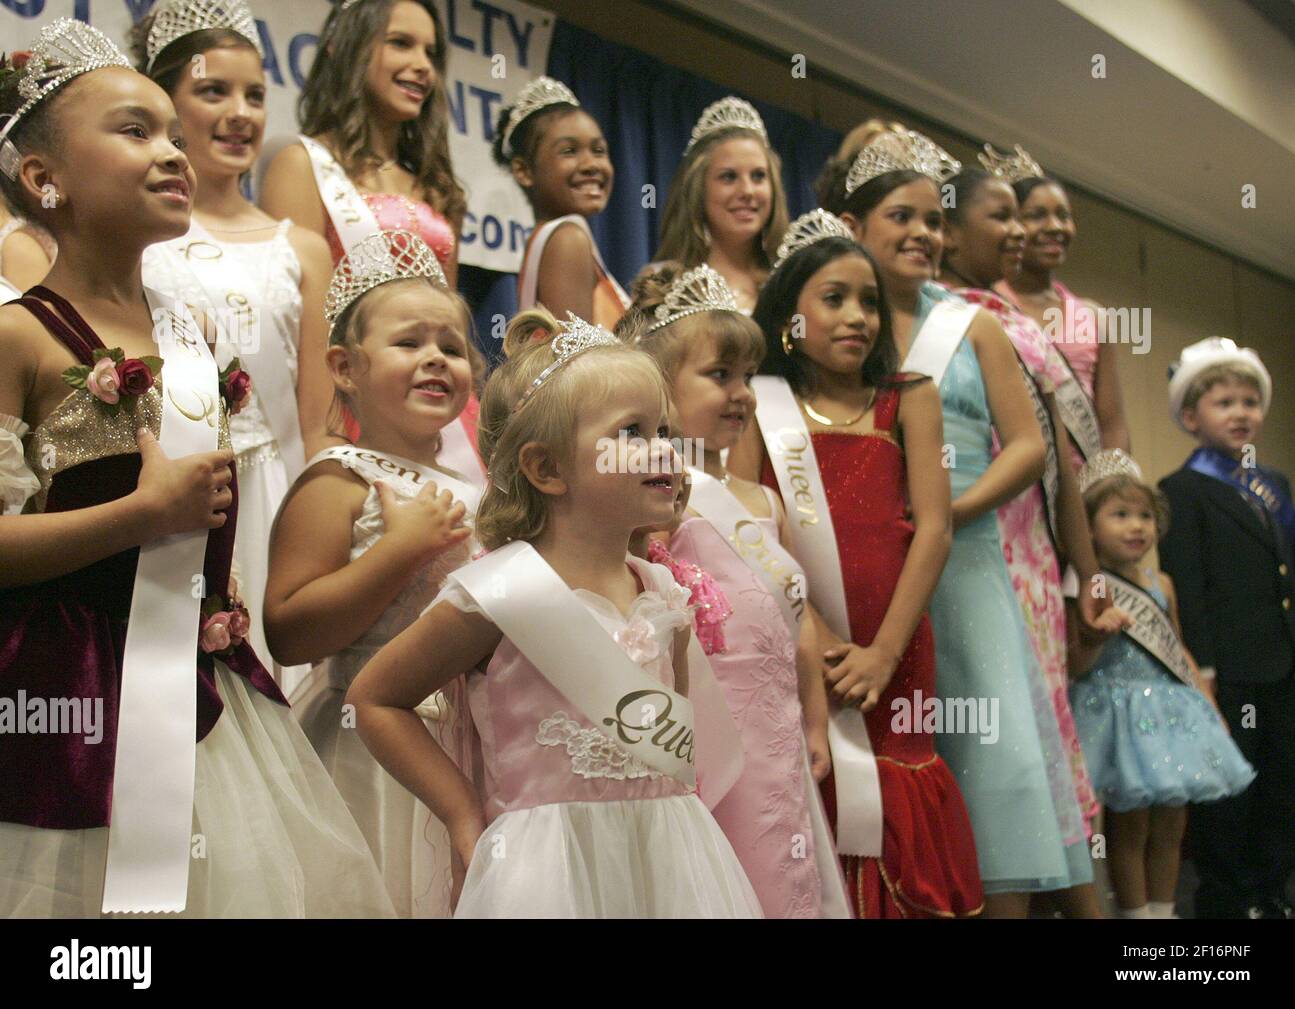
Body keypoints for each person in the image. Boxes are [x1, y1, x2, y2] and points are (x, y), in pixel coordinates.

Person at [0, 20, 392, 917]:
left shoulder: (190, 336)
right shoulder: (17, 334)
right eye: (135, 132)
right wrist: (134, 517)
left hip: (205, 688)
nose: (172, 151)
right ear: (43, 178)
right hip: (66, 700)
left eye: (172, 133)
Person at [347, 313, 762, 917]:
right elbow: (374, 700)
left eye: (665, 430)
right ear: (546, 469)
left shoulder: (664, 591)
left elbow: (676, 749)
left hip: (669, 861)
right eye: (633, 432)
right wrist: (462, 812)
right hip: (544, 873)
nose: (666, 450)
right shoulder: (496, 595)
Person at [818, 124, 1087, 916]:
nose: (923, 234)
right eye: (901, 216)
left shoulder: (975, 325)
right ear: (856, 227)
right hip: (869, 567)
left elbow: (1031, 447)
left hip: (964, 565)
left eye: (934, 219)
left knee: (991, 767)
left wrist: (949, 510)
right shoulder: (839, 321)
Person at [730, 209, 983, 918]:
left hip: (895, 644)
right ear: (788, 315)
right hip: (804, 644)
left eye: (869, 300)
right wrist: (818, 632)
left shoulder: (908, 397)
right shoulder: (760, 404)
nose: (858, 316)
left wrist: (882, 652)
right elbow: (747, 529)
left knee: (897, 790)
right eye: (833, 298)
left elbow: (932, 530)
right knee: (815, 783)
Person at [619, 261, 846, 918]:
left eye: (748, 375)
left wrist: (816, 715)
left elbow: (795, 622)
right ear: (659, 385)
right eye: (720, 376)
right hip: (711, 731)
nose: (743, 392)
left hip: (779, 731)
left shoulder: (765, 500)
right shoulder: (654, 495)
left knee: (785, 868)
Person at [264, 230, 480, 917]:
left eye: (451, 346)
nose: (435, 359)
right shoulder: (339, 479)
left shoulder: (481, 491)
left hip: (468, 741)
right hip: (368, 752)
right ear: (345, 365)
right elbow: (288, 632)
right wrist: (397, 551)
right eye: (409, 343)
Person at [936, 165, 1133, 916]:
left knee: (1043, 750)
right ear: (950, 229)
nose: (1019, 230)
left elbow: (1056, 467)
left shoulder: (1013, 323)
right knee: (985, 754)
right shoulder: (924, 317)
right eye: (1001, 215)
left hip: (1033, 561)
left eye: (1025, 217)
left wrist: (1088, 577)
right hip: (960, 560)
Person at [132, 0, 336, 691]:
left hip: (278, 498)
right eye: (213, 91)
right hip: (174, 495)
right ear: (163, 103)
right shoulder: (138, 237)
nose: (240, 113)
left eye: (255, 94)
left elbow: (317, 421)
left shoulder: (300, 249)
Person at [260, 0, 483, 483]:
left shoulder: (439, 187)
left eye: (431, 53)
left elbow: (448, 326)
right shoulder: (301, 165)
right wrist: (325, 437)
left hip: (442, 415)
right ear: (349, 51)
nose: (422, 66)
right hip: (347, 405)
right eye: (400, 43)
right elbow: (292, 321)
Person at [1068, 449, 1254, 918]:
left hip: (1172, 713)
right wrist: (1097, 632)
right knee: (1129, 829)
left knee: (1172, 826)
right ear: (1088, 527)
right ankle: (1135, 915)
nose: (1137, 526)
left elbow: (1178, 647)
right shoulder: (1089, 585)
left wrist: (1207, 700)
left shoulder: (1162, 582)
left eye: (1145, 516)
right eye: (1121, 515)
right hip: (1118, 715)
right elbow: (1077, 662)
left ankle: (1165, 910)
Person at [1160, 338, 1295, 918]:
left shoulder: (1276, 489)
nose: (1241, 412)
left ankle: (1271, 891)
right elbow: (1189, 589)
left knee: (1283, 782)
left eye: (1249, 401)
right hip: (1229, 673)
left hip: (1279, 665)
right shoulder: (1182, 490)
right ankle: (1226, 899)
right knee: (1231, 789)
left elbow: (1289, 581)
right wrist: (1205, 673)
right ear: (1192, 417)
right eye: (1224, 402)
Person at [988, 144, 1129, 466]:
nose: (1055, 227)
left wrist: (1113, 488)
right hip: (1008, 478)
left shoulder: (1093, 316)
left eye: (1063, 215)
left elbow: (1112, 424)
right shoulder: (987, 303)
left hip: (1081, 487)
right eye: (1037, 216)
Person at [494, 75, 628, 329]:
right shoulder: (568, 238)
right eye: (569, 151)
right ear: (524, 171)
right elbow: (573, 363)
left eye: (598, 150)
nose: (591, 165)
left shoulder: (556, 238)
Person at [649, 96, 789, 313]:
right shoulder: (661, 285)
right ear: (698, 189)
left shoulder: (788, 286)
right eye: (729, 177)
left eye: (758, 176)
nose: (747, 191)